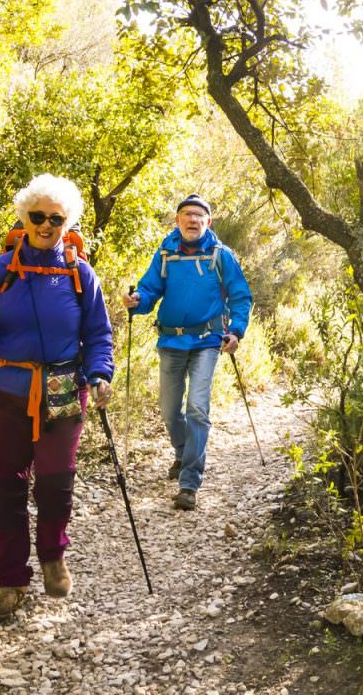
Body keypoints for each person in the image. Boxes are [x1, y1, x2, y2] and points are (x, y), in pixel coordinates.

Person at [0, 174, 114, 622]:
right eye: (37, 216)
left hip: (64, 390)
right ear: (24, 218)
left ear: (67, 222)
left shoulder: (80, 275)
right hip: (3, 392)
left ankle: (52, 556)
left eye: (55, 219)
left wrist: (100, 374)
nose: (45, 225)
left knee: (56, 484)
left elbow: (99, 335)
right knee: (6, 488)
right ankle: (10, 582)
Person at [123, 194, 252, 511]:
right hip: (171, 341)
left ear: (208, 222)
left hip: (208, 341)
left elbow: (240, 297)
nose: (193, 220)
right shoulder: (166, 253)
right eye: (187, 214)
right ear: (177, 220)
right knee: (169, 410)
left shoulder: (221, 255)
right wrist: (137, 300)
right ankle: (182, 453)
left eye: (198, 215)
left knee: (197, 407)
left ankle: (189, 482)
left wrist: (236, 331)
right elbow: (150, 289)